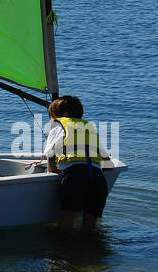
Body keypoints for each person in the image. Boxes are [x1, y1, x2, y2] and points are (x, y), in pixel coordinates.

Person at [42, 95, 110, 231]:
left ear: (64, 115)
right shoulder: (88, 127)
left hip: (75, 177)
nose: (51, 121)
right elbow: (105, 160)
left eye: (52, 116)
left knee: (67, 221)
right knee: (90, 227)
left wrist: (52, 174)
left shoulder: (58, 125)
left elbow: (50, 154)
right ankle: (89, 248)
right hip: (98, 179)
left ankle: (65, 249)